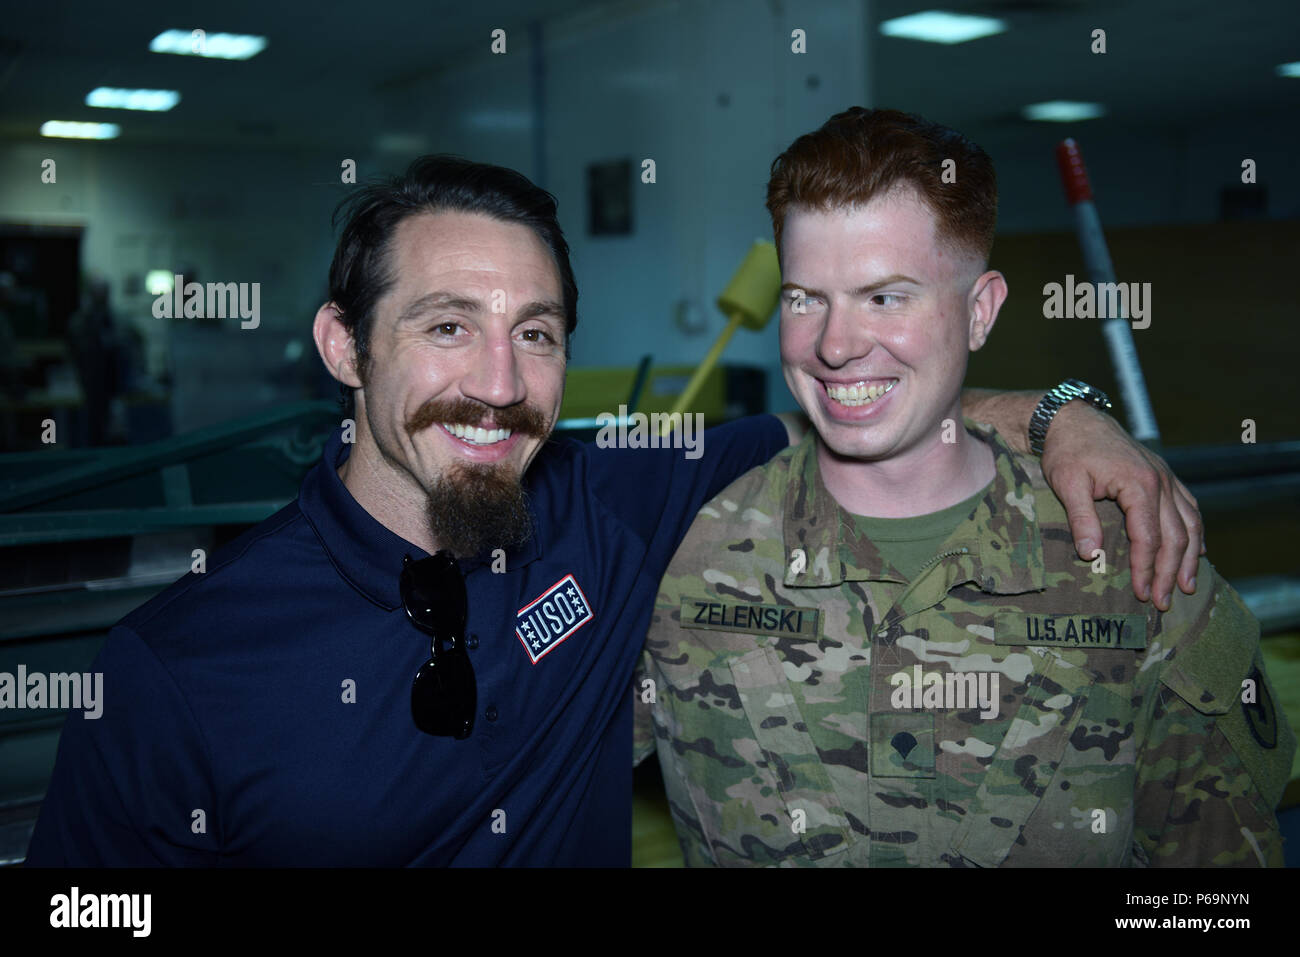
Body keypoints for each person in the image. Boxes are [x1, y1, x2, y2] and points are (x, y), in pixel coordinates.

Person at [28, 154, 1203, 866]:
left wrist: (1065, 412)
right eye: (446, 327)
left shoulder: (612, 499)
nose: (496, 383)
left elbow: (868, 407)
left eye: (533, 335)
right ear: (345, 345)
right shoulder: (178, 668)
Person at [635, 108, 1294, 867]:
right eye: (804, 298)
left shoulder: (1130, 563)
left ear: (979, 312)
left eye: (885, 297)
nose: (835, 344)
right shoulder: (681, 557)